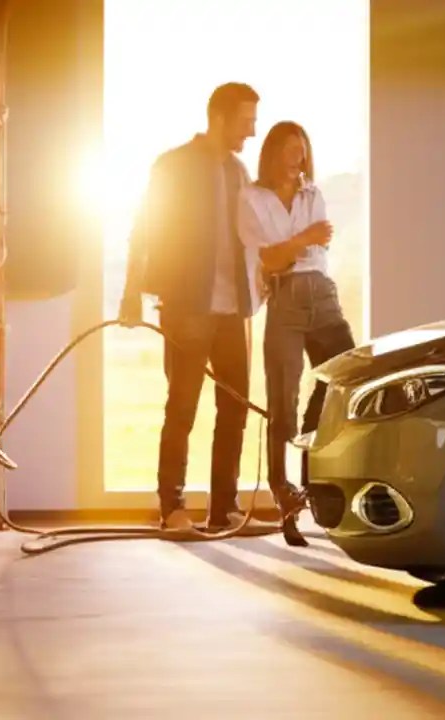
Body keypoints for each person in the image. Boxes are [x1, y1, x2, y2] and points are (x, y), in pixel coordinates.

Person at [118, 82, 260, 532]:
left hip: (232, 311)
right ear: (218, 118)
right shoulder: (172, 166)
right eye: (245, 122)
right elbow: (144, 227)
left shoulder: (239, 172)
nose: (251, 132)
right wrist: (131, 291)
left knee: (234, 410)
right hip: (187, 307)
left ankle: (224, 508)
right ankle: (172, 509)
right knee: (182, 407)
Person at [238, 120, 356, 547]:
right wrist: (300, 240)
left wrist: (291, 247)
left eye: (301, 149)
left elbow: (312, 249)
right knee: (281, 407)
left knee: (344, 382)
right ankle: (284, 499)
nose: (297, 157)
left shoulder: (314, 194)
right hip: (285, 302)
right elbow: (270, 260)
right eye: (288, 149)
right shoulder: (251, 198)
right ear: (272, 154)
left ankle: (313, 486)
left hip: (322, 295)